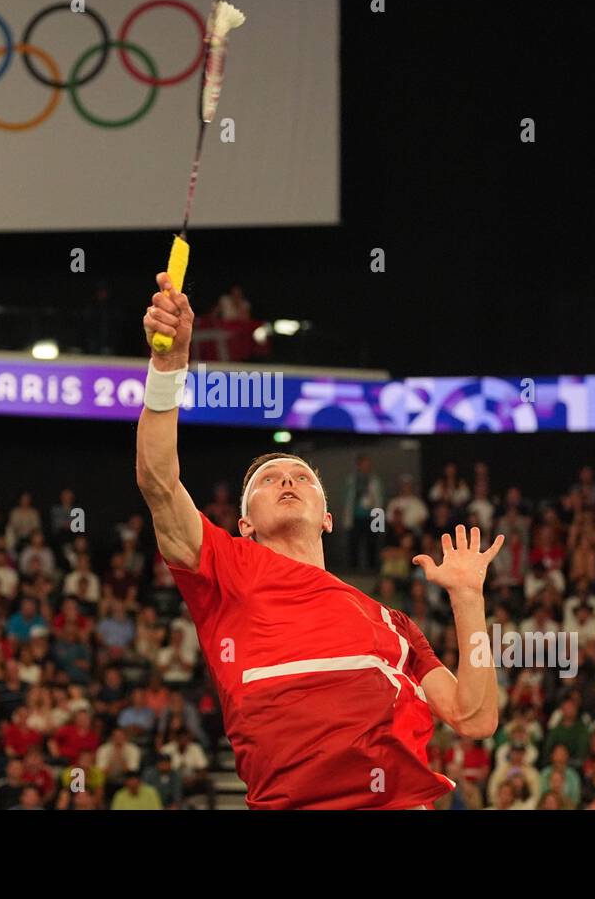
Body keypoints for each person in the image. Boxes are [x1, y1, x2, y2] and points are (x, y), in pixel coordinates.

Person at [136, 270, 505, 809]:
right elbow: (157, 481)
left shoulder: (393, 624)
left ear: (328, 517)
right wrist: (169, 365)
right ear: (245, 525)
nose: (287, 480)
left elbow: (476, 717)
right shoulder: (222, 568)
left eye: (302, 476)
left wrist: (468, 600)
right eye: (268, 480)